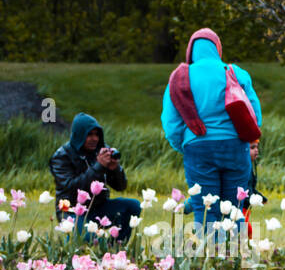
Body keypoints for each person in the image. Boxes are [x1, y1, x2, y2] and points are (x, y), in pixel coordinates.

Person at [161, 28, 262, 237]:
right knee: (234, 209)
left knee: (205, 211)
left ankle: (209, 263)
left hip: (198, 149)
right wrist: (246, 141)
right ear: (217, 49)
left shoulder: (180, 78)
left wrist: (185, 145)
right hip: (235, 148)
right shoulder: (236, 73)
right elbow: (255, 115)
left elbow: (171, 123)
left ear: (191, 51)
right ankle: (234, 264)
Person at [48, 112, 141, 244]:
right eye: (89, 134)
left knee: (133, 206)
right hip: (73, 210)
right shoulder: (61, 157)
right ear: (79, 135)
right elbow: (71, 188)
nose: (94, 139)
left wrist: (115, 169)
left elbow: (120, 187)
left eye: (97, 134)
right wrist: (98, 167)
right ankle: (74, 246)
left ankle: (117, 247)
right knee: (85, 239)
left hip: (99, 207)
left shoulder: (101, 151)